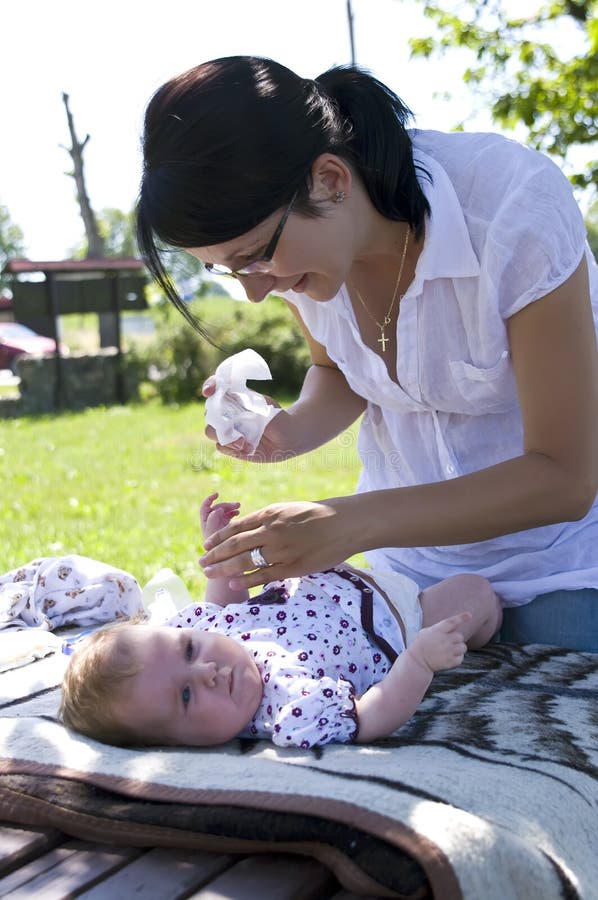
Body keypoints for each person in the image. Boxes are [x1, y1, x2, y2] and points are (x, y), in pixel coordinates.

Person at [136, 56, 598, 652]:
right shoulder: (308, 255)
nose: (255, 289)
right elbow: (341, 371)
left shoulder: (511, 207)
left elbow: (565, 477)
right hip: (404, 575)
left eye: (254, 256)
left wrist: (350, 522)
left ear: (330, 178)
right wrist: (285, 432)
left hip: (561, 565)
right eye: (227, 270)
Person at [60, 494, 502, 749]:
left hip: (337, 578)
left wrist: (224, 554)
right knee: (474, 594)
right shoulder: (290, 709)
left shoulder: (208, 631)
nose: (208, 672)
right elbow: (372, 717)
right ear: (176, 745)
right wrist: (420, 663)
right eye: (187, 695)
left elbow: (227, 603)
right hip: (402, 622)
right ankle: (490, 627)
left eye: (189, 650)